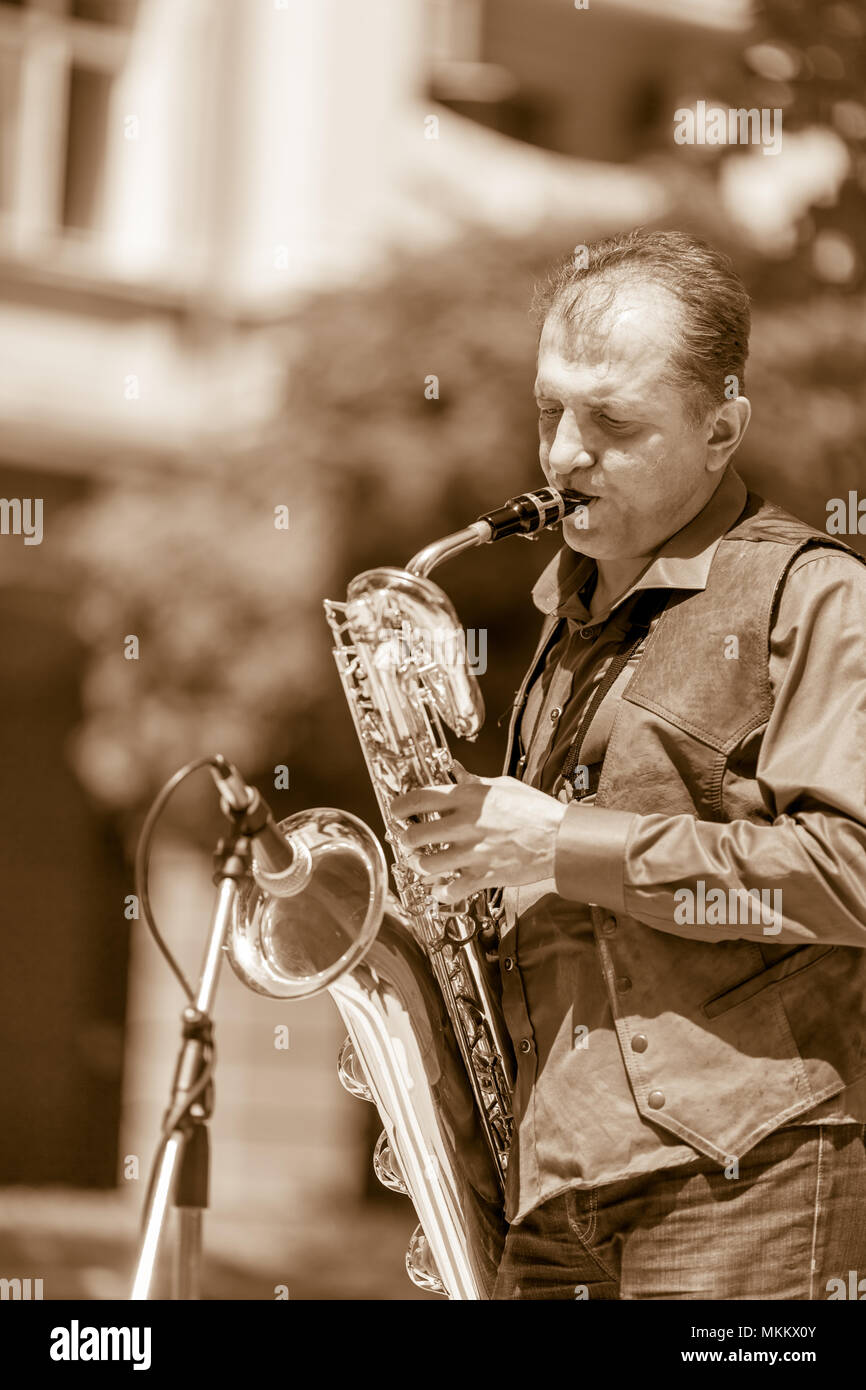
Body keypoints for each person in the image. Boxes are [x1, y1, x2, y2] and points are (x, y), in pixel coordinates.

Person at [392, 228, 866, 1300]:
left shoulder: (816, 595)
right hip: (554, 1195)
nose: (562, 454)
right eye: (548, 411)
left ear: (719, 428)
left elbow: (850, 872)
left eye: (609, 420)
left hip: (745, 1183)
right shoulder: (567, 622)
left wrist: (563, 845)